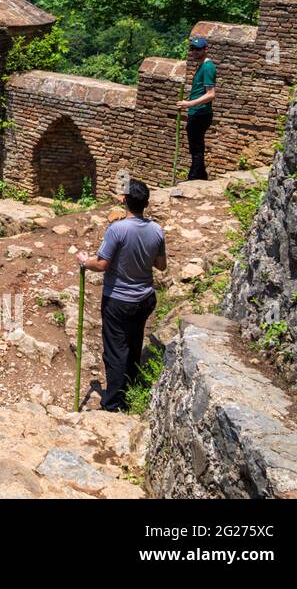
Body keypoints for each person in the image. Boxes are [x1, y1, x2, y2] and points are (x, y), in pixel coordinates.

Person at [77, 180, 167, 412]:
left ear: (125, 201)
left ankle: (113, 404)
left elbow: (102, 264)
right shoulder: (157, 230)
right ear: (146, 203)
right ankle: (130, 393)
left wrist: (85, 261)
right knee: (134, 345)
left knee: (116, 350)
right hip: (144, 298)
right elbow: (161, 265)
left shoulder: (117, 229)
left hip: (119, 299)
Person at [177, 35, 217, 181]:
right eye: (192, 49)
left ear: (205, 49)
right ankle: (201, 175)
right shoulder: (202, 65)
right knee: (196, 145)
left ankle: (194, 177)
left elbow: (211, 94)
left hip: (201, 113)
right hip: (197, 112)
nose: (194, 52)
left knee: (196, 147)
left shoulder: (207, 66)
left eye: (198, 49)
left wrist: (189, 103)